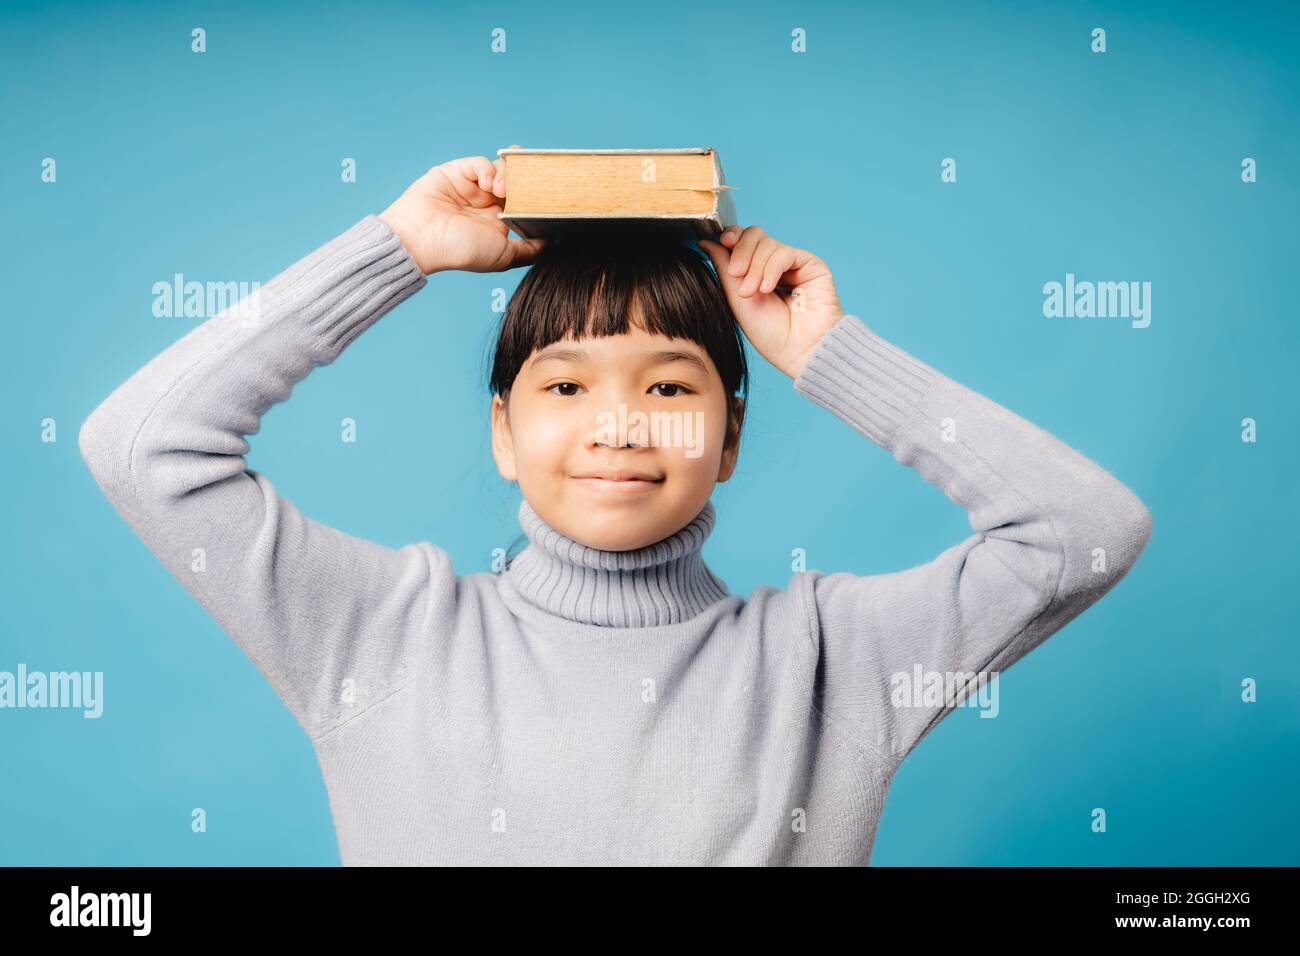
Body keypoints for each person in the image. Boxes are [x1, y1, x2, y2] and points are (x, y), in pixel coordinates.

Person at [78, 147, 1152, 865]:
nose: (621, 425)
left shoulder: (836, 659)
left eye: (671, 386)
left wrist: (829, 356)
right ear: (501, 430)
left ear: (729, 439)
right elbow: (142, 446)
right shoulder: (375, 632)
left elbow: (1084, 531)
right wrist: (397, 247)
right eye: (564, 385)